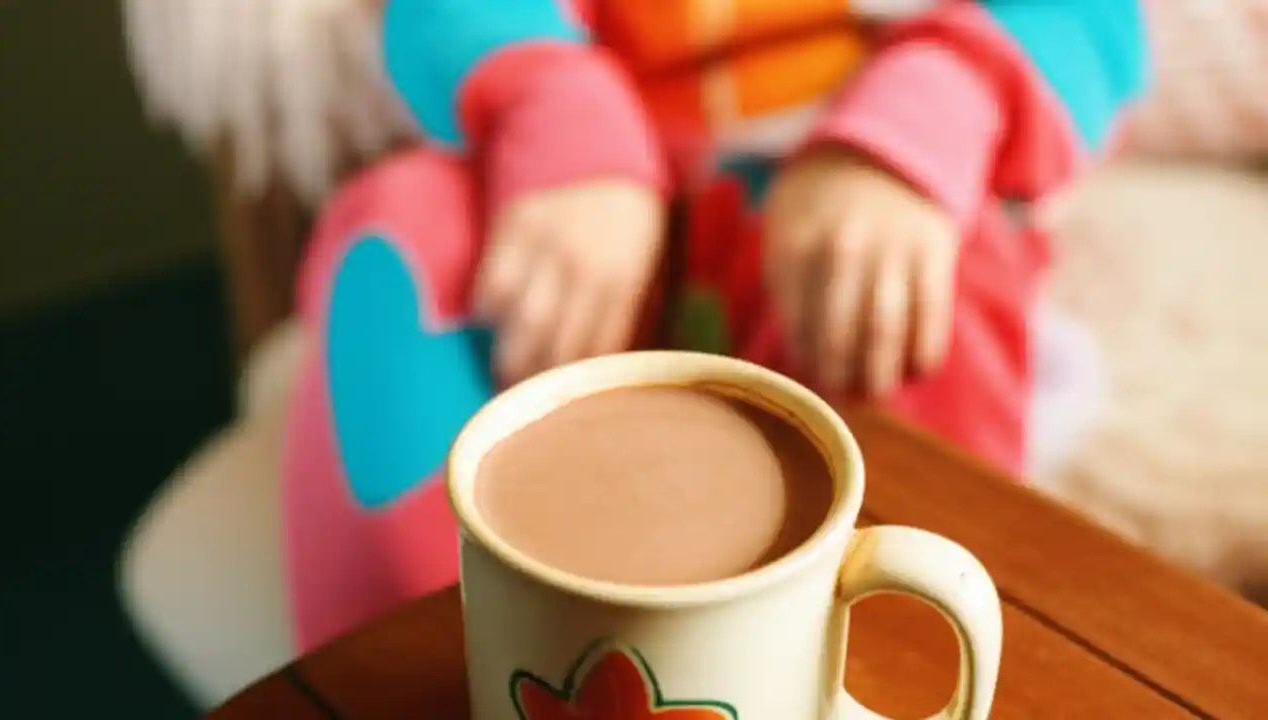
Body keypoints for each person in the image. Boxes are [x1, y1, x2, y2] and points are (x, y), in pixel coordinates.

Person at [284, 0, 1151, 652]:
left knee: (919, 293)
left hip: (852, 198)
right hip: (595, 194)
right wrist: (559, 114)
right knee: (396, 234)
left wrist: (917, 130)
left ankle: (891, 656)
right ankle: (419, 659)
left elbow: (1085, 22)